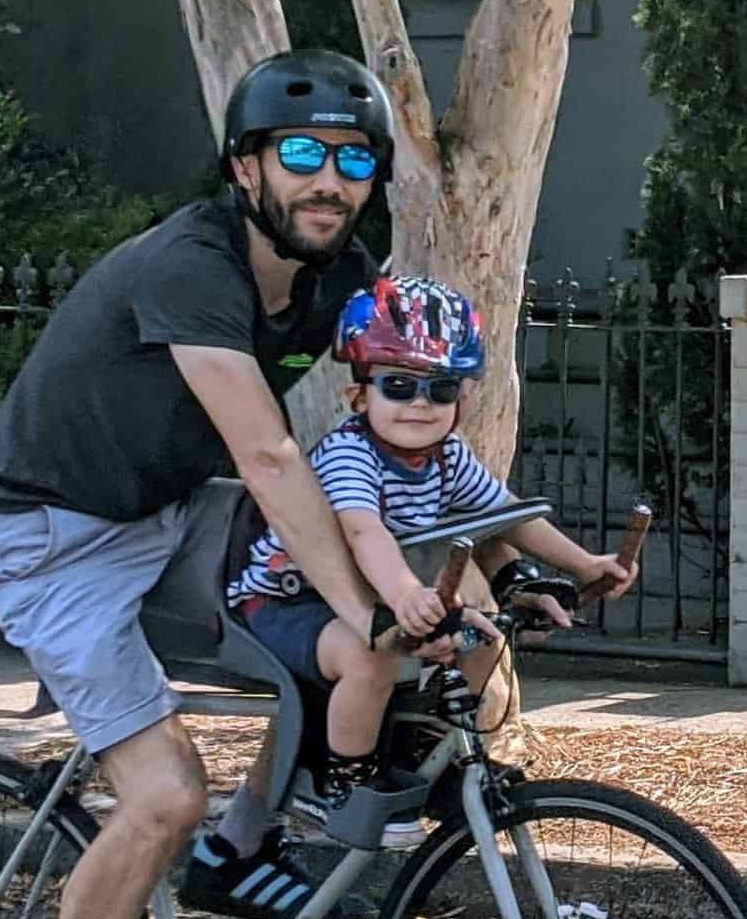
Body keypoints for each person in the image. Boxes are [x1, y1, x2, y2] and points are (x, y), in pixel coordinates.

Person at [0, 51, 461, 919]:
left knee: (333, 647)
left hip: (170, 510)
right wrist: (369, 597)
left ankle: (238, 851)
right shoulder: (190, 267)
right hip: (48, 535)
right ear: (245, 166)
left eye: (351, 160)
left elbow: (395, 419)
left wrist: (475, 549)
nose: (326, 180)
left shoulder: (343, 278)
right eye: (300, 155)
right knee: (158, 793)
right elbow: (271, 455)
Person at [226, 274, 639, 849]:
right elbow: (363, 531)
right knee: (367, 660)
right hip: (289, 599)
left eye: (440, 389)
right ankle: (341, 784)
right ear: (360, 396)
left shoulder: (446, 456)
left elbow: (506, 515)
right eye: (398, 384)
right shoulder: (352, 453)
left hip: (376, 599)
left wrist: (584, 563)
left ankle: (434, 758)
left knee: (483, 639)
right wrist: (403, 596)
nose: (420, 404)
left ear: (462, 400)